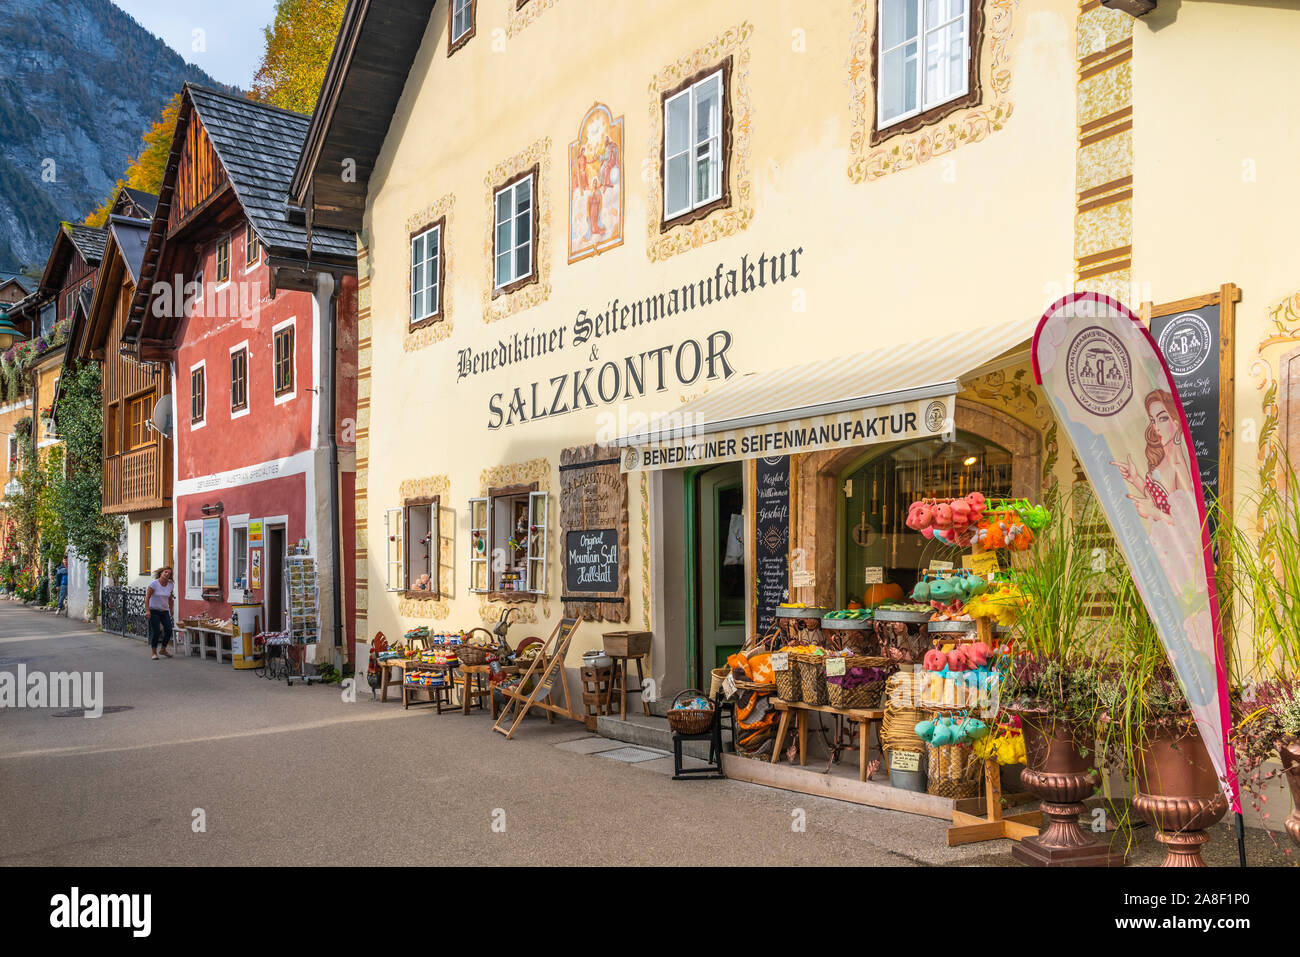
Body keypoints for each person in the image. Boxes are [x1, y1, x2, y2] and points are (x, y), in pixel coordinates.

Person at [146, 566, 175, 660]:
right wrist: (147, 611)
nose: (167, 574)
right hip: (153, 610)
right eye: (166, 572)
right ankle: (154, 652)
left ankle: (163, 649)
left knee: (169, 629)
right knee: (156, 631)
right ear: (161, 573)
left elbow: (170, 598)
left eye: (169, 573)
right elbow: (147, 598)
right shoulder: (154, 584)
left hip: (164, 611)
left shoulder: (170, 585)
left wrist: (171, 609)